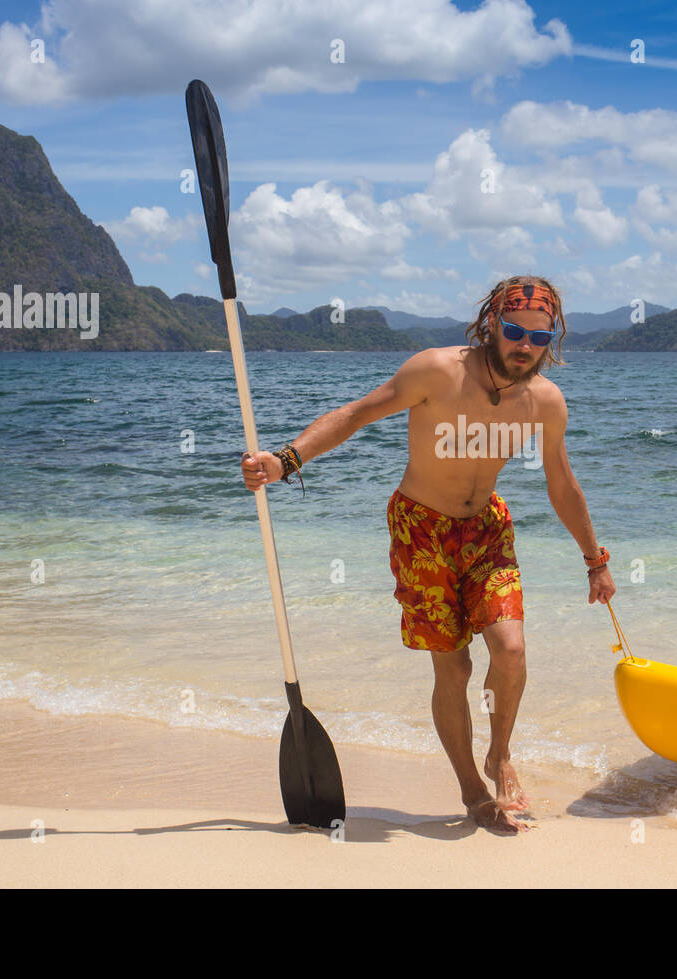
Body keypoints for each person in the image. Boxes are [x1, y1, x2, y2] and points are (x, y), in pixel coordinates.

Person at [241, 275, 615, 834]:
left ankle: (500, 754)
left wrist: (595, 559)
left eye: (539, 336)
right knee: (455, 666)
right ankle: (470, 787)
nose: (524, 346)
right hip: (421, 531)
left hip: (487, 530)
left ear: (552, 338)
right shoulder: (437, 371)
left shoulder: (544, 401)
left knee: (509, 649)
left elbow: (562, 483)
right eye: (514, 331)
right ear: (493, 324)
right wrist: (285, 461)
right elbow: (358, 413)